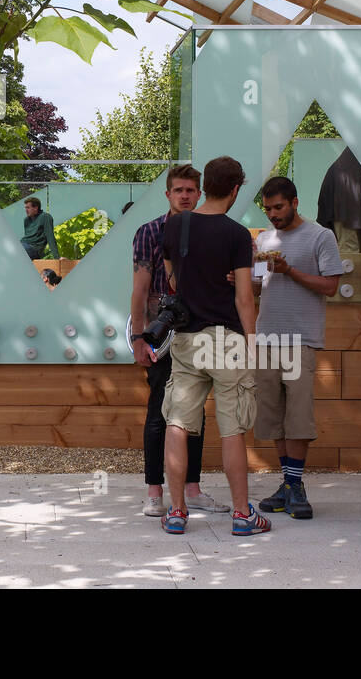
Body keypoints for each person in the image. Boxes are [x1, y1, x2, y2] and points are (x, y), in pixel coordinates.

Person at [160, 156, 268, 537]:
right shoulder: (237, 235)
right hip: (226, 340)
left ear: (203, 186)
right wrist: (253, 343)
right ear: (236, 189)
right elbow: (243, 299)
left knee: (177, 423)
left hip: (187, 339)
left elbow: (173, 281)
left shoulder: (175, 226)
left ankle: (176, 511)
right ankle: (242, 515)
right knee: (232, 428)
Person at [130, 164, 227, 519]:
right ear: (168, 194)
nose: (185, 195)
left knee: (195, 410)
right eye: (179, 190)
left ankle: (192, 490)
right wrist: (140, 337)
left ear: (200, 194)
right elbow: (140, 290)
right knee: (159, 408)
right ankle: (155, 493)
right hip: (161, 329)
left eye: (191, 190)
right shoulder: (149, 232)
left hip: (200, 328)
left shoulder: (208, 232)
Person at [252, 177, 343, 519]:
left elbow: (331, 286)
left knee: (298, 415)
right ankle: (288, 484)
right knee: (273, 414)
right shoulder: (264, 239)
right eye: (268, 209)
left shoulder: (321, 236)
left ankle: (295, 483)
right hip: (266, 338)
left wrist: (290, 270)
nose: (273, 215)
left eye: (278, 207)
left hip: (300, 338)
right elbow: (259, 286)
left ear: (294, 202)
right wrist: (244, 275)